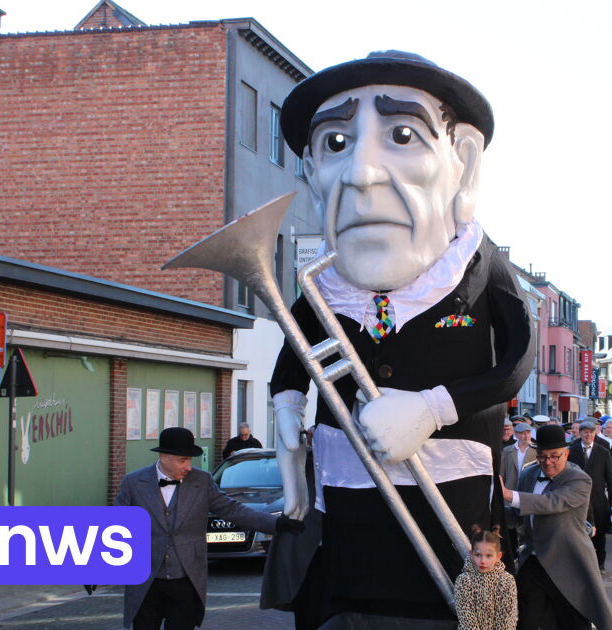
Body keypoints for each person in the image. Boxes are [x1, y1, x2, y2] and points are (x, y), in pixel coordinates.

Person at [269, 50, 536, 626]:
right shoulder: (328, 284)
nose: (361, 173)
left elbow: (516, 363)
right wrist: (287, 402)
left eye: (403, 134)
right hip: (350, 498)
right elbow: (296, 344)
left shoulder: (479, 265)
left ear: (462, 162)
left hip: (452, 484)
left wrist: (432, 408)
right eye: (335, 144)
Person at [116, 427, 303, 629]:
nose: (188, 466)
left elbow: (233, 510)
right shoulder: (134, 482)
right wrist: (94, 569)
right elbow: (116, 524)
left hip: (186, 580)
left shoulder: (202, 481)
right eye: (182, 460)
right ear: (164, 457)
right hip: (145, 580)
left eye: (189, 460)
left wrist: (275, 523)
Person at [501, 425, 612, 630]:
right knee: (524, 620)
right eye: (542, 456)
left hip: (568, 562)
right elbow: (518, 515)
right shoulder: (529, 474)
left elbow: (550, 503)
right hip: (533, 560)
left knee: (573, 623)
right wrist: (490, 508)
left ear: (566, 453)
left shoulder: (579, 479)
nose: (547, 462)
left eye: (554, 456)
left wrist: (507, 495)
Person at [566, 420, 612, 571]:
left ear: (595, 433)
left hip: (597, 498)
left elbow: (611, 477)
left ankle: (600, 562)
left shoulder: (603, 451)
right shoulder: (572, 450)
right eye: (585, 432)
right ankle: (581, 563)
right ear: (580, 433)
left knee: (599, 531)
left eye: (591, 432)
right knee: (578, 531)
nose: (588, 434)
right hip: (576, 498)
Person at [453, 525, 517, 630]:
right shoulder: (464, 580)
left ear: (498, 556)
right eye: (478, 555)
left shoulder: (507, 580)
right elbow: (467, 620)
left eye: (488, 555)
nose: (483, 561)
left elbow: (507, 618)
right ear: (471, 554)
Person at [501, 423, 536, 490]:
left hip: (529, 489)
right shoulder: (506, 451)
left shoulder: (537, 450)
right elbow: (502, 473)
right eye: (523, 433)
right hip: (510, 489)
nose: (526, 436)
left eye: (528, 433)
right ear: (516, 435)